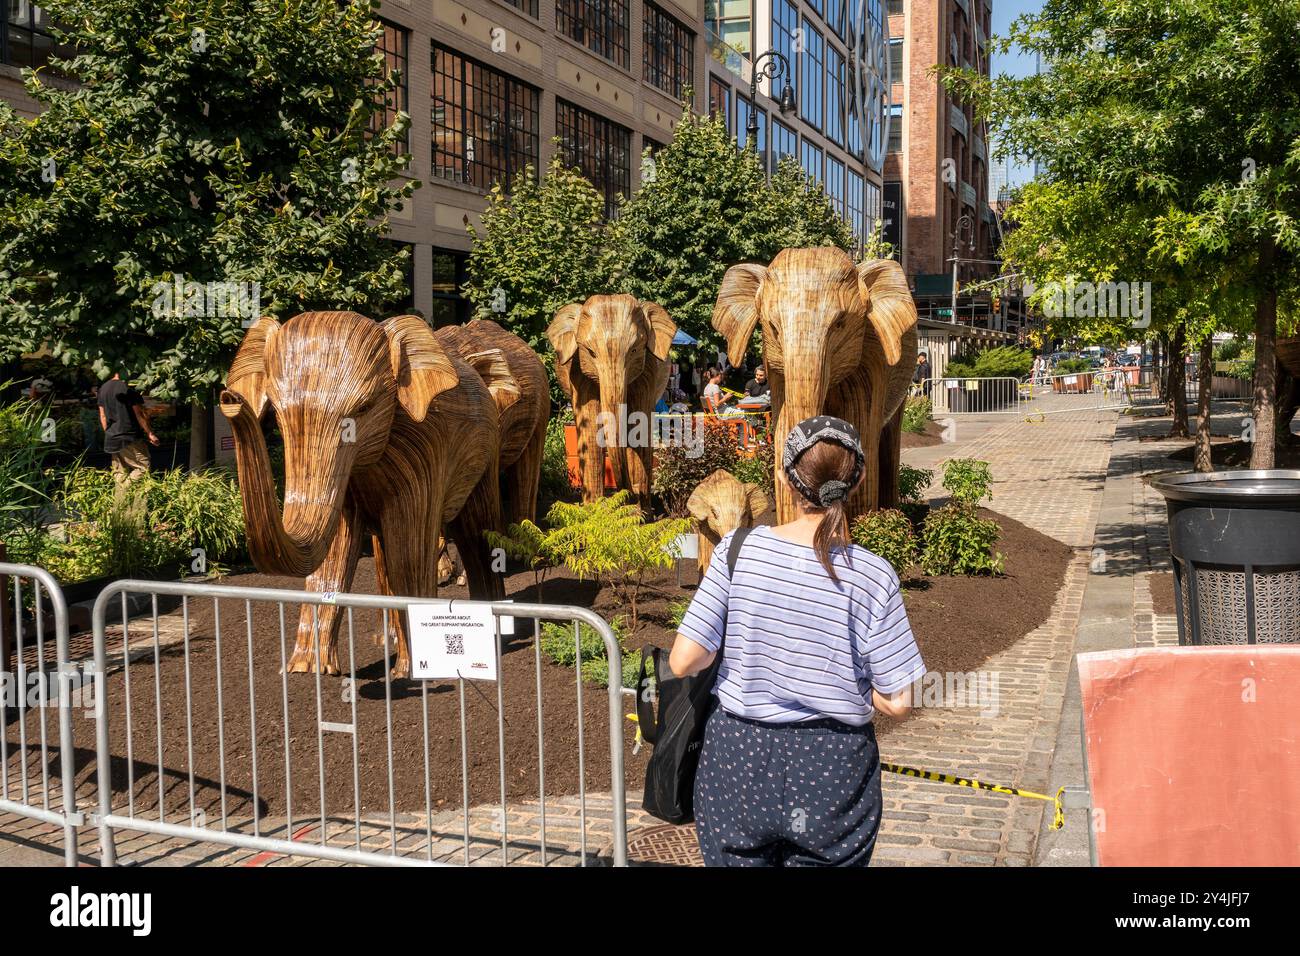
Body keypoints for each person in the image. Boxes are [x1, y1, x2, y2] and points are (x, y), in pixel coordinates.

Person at [669, 416, 925, 867]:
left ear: (784, 481)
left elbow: (684, 660)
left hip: (739, 760)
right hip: (833, 766)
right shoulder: (874, 574)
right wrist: (841, 683)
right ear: (858, 479)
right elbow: (898, 701)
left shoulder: (736, 550)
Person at [98, 372, 159, 481]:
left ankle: (121, 498)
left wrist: (109, 433)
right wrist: (150, 433)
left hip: (112, 437)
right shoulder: (129, 387)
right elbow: (139, 414)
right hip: (129, 436)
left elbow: (102, 415)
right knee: (143, 468)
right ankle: (133, 493)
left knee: (120, 473)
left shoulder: (104, 387)